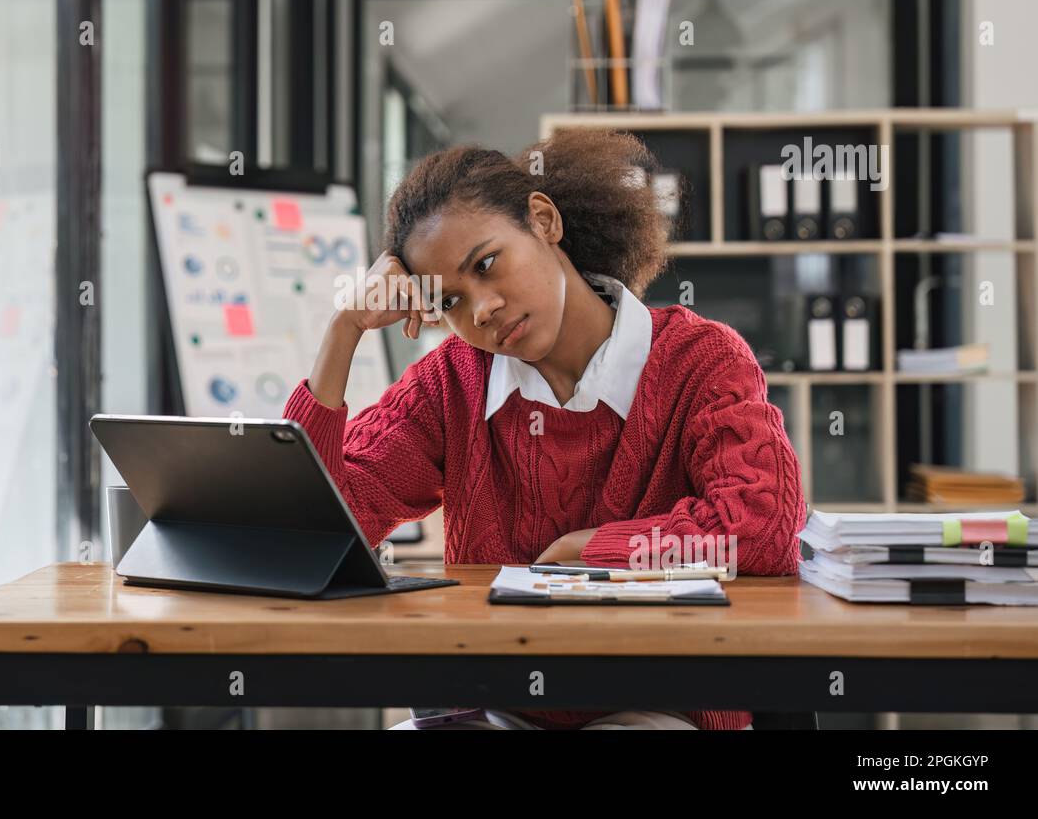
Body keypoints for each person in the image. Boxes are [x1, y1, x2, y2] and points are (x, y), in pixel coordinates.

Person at [282, 129, 806, 730]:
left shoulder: (701, 361)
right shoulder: (450, 383)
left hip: (659, 704)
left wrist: (594, 550)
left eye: (486, 265)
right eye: (450, 301)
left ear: (543, 220)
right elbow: (316, 525)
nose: (481, 309)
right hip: (497, 707)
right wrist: (344, 328)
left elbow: (762, 533)